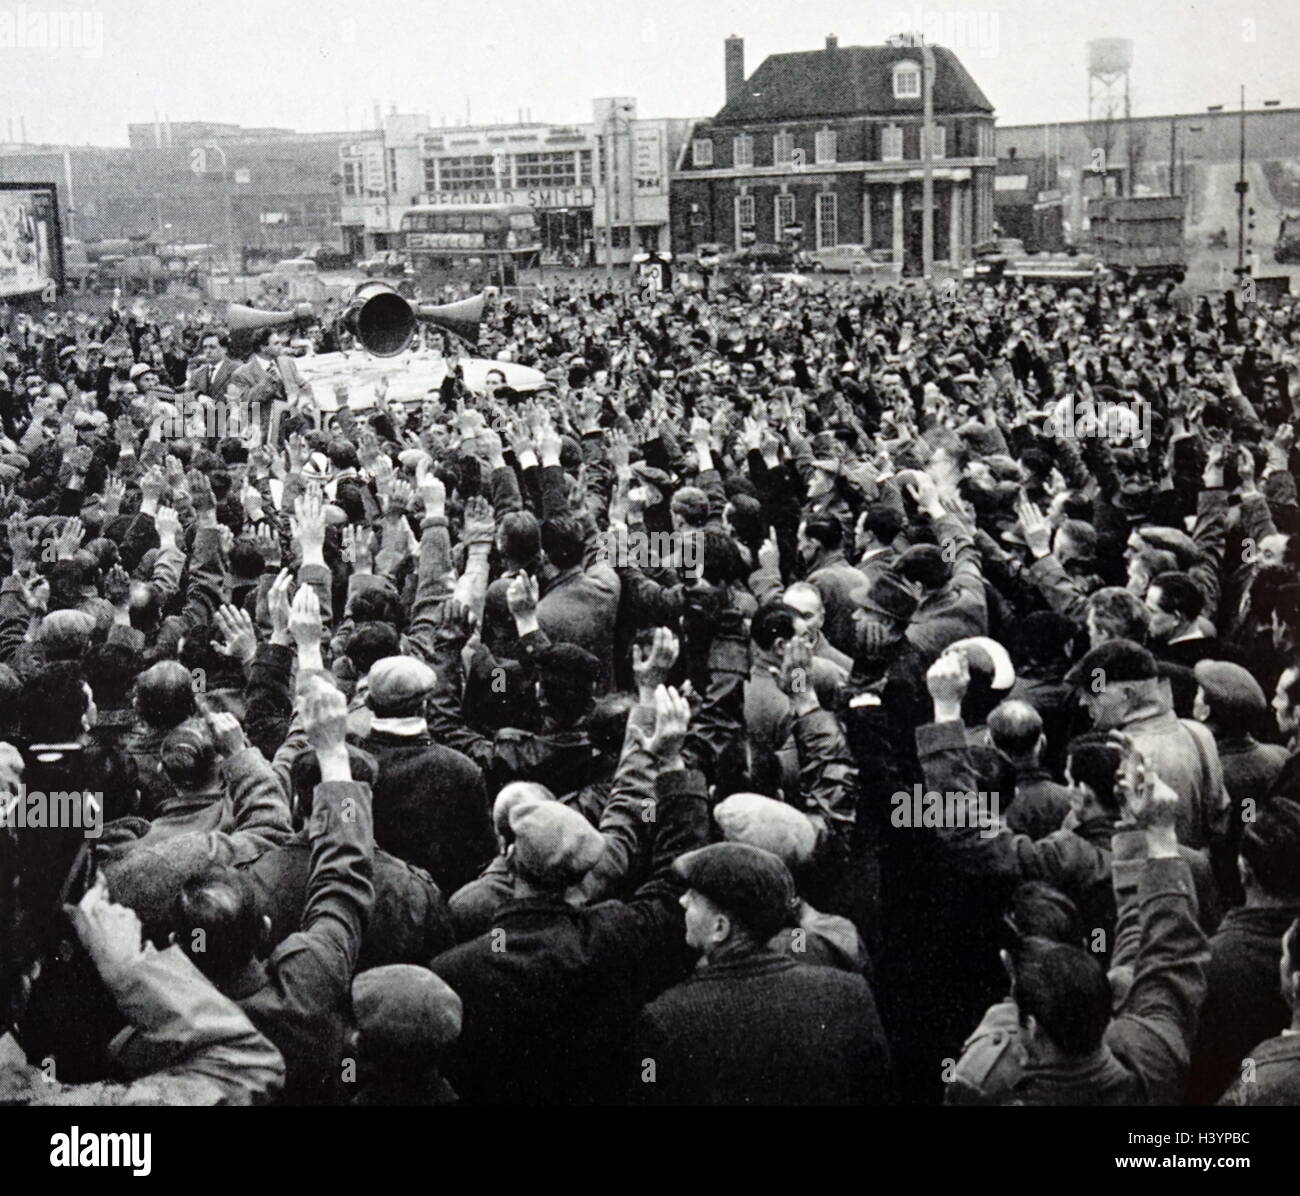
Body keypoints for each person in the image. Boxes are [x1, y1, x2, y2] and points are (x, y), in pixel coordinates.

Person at [636, 841, 894, 1105]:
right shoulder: (851, 994)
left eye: (694, 898)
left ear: (720, 928)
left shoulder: (666, 1019)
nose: (682, 900)